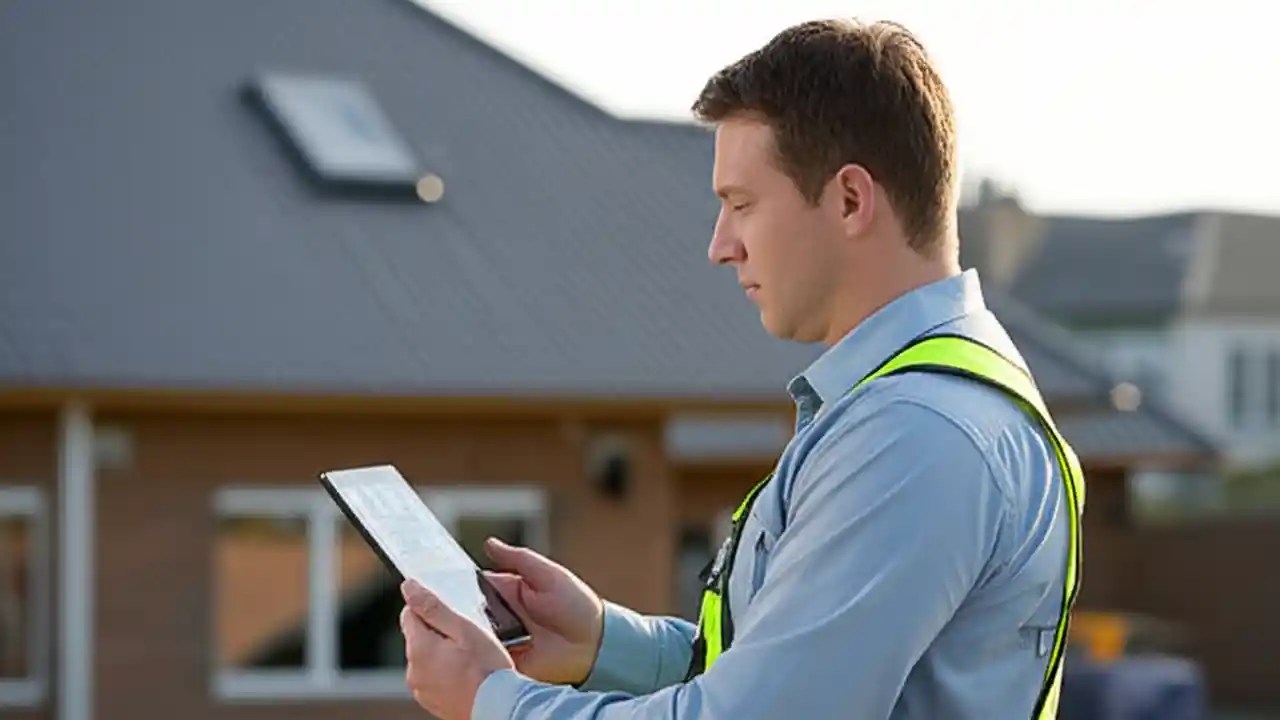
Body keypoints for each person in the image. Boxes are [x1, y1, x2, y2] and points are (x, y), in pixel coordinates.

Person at [397, 17, 1084, 720]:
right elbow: (783, 678)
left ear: (850, 200)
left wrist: (496, 701)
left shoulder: (915, 436)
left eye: (741, 204)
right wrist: (603, 644)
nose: (720, 246)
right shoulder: (937, 406)